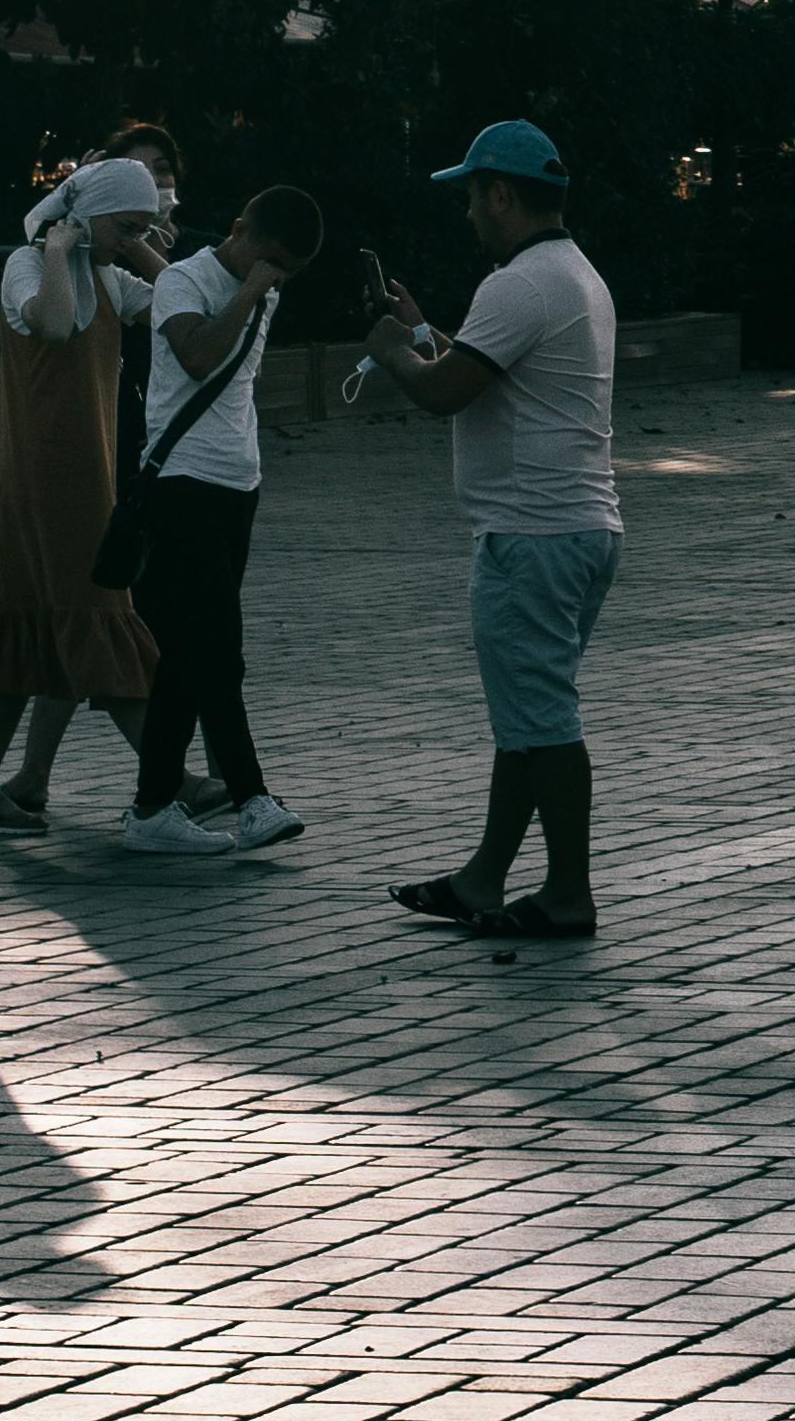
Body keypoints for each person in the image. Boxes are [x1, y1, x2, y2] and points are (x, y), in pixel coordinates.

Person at [360, 122, 620, 946]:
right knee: (527, 715)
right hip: (578, 525)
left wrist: (392, 352)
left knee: (543, 721)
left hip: (530, 534)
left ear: (501, 192)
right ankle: (483, 877)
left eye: (472, 194)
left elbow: (443, 395)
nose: (468, 210)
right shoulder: (574, 275)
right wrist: (428, 335)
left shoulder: (518, 285)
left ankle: (569, 892)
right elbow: (494, 379)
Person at [115, 189, 325, 864]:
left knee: (186, 653)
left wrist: (264, 287)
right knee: (216, 650)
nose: (273, 277)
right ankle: (252, 798)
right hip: (183, 484)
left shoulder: (265, 290)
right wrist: (250, 292)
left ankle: (152, 807)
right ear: (237, 230)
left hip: (239, 484)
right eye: (267, 260)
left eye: (286, 271)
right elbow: (198, 356)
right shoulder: (184, 280)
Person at [0, 157, 165, 825]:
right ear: (86, 211)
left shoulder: (109, 276)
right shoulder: (29, 265)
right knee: (97, 608)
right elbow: (48, 321)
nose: (131, 238)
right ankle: (170, 776)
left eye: (142, 227)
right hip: (40, 472)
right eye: (125, 224)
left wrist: (136, 243)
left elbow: (180, 304)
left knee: (24, 614)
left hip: (82, 468)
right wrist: (56, 248)